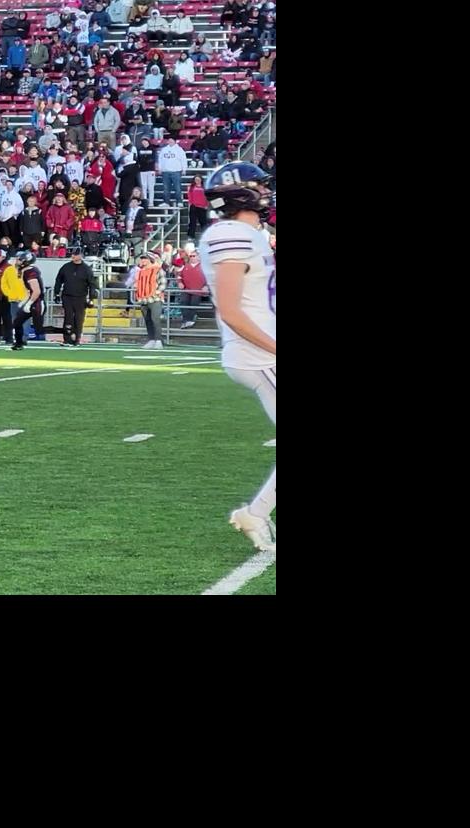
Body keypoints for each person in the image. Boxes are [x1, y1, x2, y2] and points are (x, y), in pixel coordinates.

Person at [197, 162, 277, 553]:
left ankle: (256, 513)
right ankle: (256, 513)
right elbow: (231, 309)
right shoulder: (229, 233)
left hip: (261, 348)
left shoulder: (246, 233)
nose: (265, 190)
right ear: (240, 193)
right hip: (258, 353)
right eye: (258, 185)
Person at [54, 248, 97, 345]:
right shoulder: (66, 267)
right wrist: (56, 294)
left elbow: (92, 284)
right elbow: (58, 280)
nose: (73, 256)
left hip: (80, 297)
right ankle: (67, 339)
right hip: (67, 296)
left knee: (78, 319)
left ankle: (76, 339)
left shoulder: (86, 269)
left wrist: (91, 298)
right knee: (68, 318)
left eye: (75, 254)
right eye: (72, 254)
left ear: (81, 256)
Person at [5, 250, 43, 350]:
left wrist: (28, 303)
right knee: (17, 322)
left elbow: (36, 291)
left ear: (26, 261)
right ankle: (19, 343)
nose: (18, 261)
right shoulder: (25, 271)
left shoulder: (30, 272)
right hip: (31, 300)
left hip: (36, 302)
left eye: (21, 260)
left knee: (30, 324)